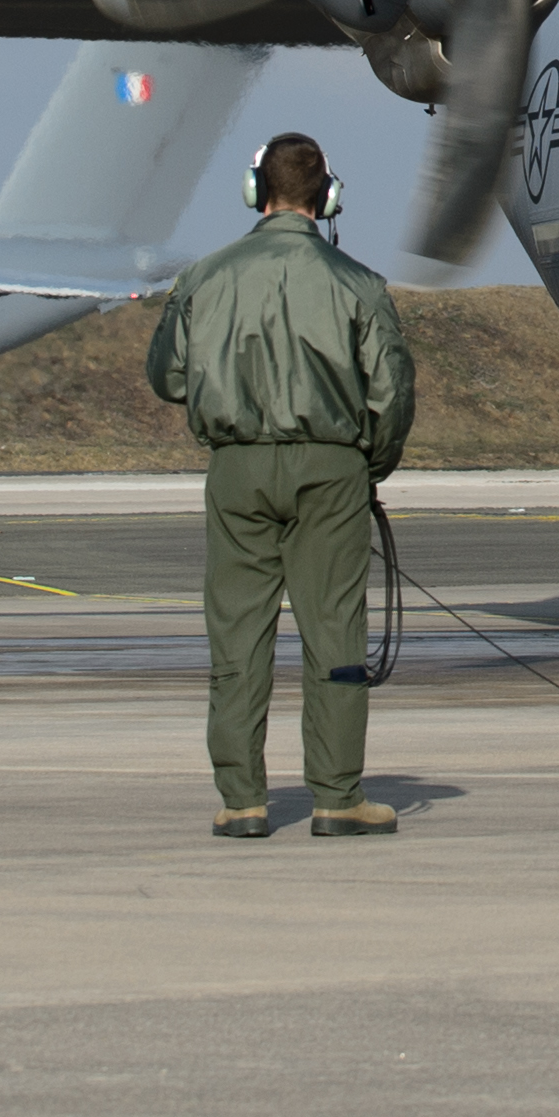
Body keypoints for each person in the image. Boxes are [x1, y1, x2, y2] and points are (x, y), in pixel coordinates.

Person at [148, 132, 416, 839]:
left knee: (237, 633)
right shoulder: (358, 284)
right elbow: (392, 392)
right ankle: (337, 797)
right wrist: (370, 465)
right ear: (327, 197)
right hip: (331, 467)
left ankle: (241, 800)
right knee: (335, 630)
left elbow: (167, 375)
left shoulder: (203, 278)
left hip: (237, 465)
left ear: (255, 191)